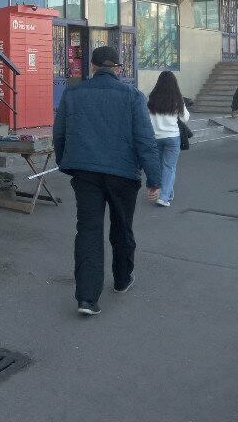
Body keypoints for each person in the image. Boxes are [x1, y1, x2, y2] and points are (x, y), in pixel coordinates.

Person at [53, 46, 161, 317]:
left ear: (92, 66)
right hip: (123, 173)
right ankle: (122, 279)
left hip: (85, 172)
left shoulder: (73, 94)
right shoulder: (133, 96)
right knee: (122, 226)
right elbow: (145, 140)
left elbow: (60, 133)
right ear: (118, 69)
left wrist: (65, 161)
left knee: (88, 230)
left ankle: (87, 298)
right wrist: (155, 179)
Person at [147, 71, 190, 208]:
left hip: (156, 137)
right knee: (169, 167)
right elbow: (185, 118)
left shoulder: (151, 98)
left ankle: (167, 193)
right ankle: (164, 197)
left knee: (160, 167)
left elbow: (147, 118)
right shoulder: (177, 99)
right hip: (172, 137)